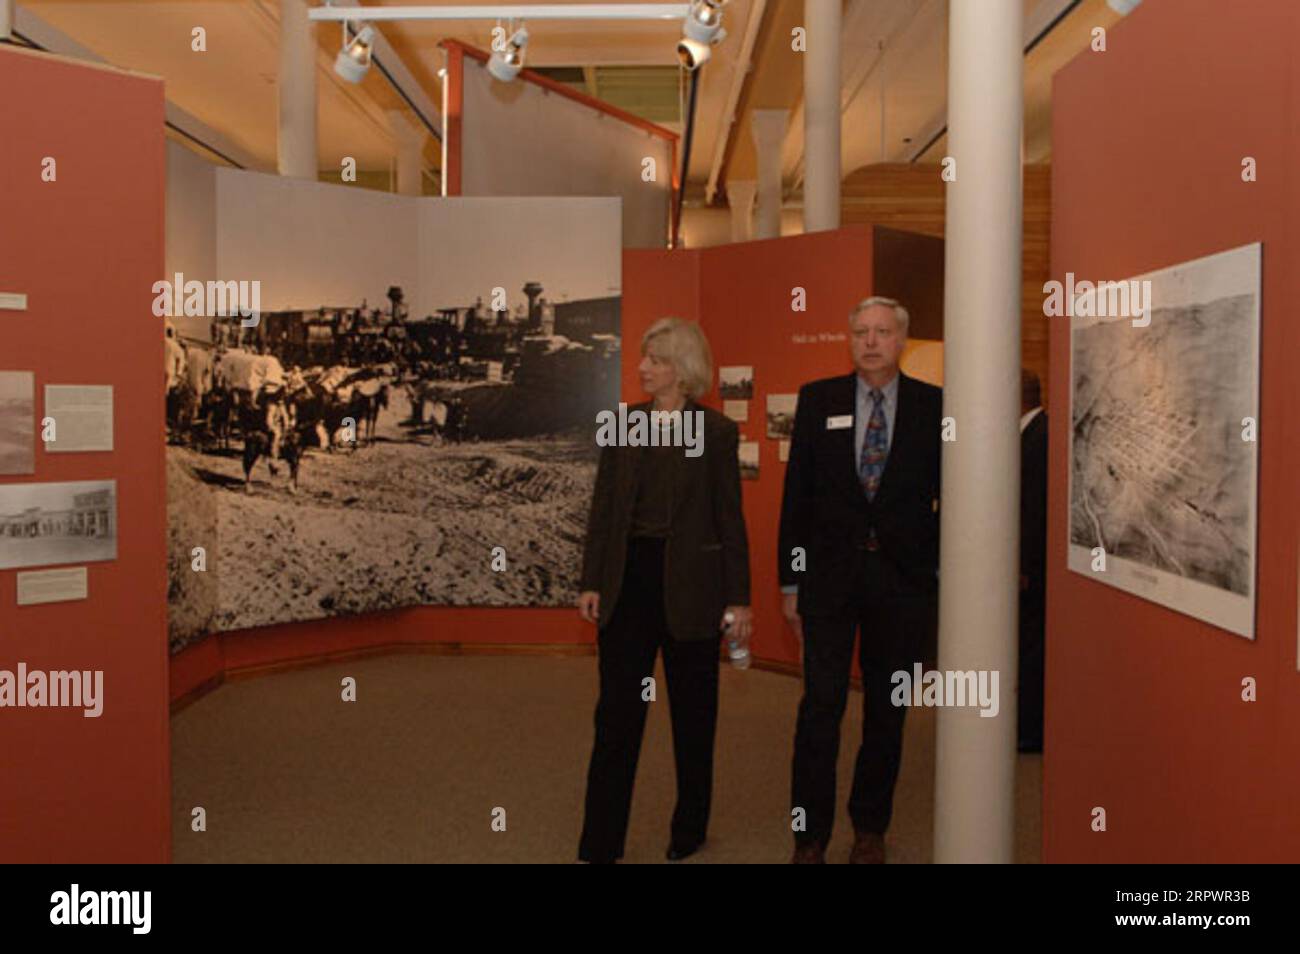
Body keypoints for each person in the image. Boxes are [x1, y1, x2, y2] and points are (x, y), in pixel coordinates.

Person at [576, 317, 752, 864]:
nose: (643, 367)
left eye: (654, 359)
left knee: (694, 717)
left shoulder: (718, 433)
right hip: (628, 584)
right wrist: (591, 580)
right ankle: (600, 842)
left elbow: (730, 520)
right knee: (616, 718)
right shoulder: (622, 425)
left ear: (681, 367)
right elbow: (604, 510)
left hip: (694, 590)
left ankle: (690, 827)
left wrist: (739, 598)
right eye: (643, 358)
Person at [778, 296, 942, 864]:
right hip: (826, 583)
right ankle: (809, 836)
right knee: (819, 708)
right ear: (849, 340)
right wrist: (791, 585)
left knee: (886, 712)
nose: (870, 342)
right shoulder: (817, 399)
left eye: (882, 332)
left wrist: (938, 573)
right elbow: (796, 499)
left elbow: (952, 501)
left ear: (902, 341)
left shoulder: (933, 407)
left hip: (901, 586)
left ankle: (870, 829)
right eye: (861, 332)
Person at [1018, 370, 1047, 753]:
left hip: (1034, 568)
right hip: (1028, 565)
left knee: (1031, 645)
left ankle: (1030, 729)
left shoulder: (1041, 438)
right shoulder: (1032, 434)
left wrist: (1023, 565)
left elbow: (1035, 510)